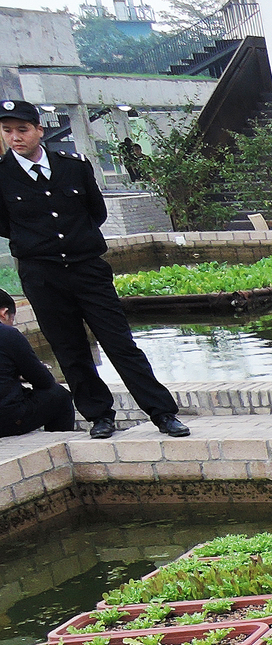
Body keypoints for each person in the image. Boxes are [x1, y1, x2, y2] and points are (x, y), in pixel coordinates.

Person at [0, 99, 184, 440]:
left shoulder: (73, 165)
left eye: (22, 130)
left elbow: (95, 212)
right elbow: (6, 225)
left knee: (120, 343)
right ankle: (99, 416)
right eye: (7, 131)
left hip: (87, 268)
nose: (15, 138)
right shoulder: (2, 176)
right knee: (70, 350)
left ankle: (162, 413)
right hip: (42, 276)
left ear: (39, 130)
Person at [0, 287, 72, 436]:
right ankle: (59, 443)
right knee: (60, 395)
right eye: (12, 319)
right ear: (4, 313)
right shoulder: (8, 334)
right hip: (7, 420)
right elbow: (44, 381)